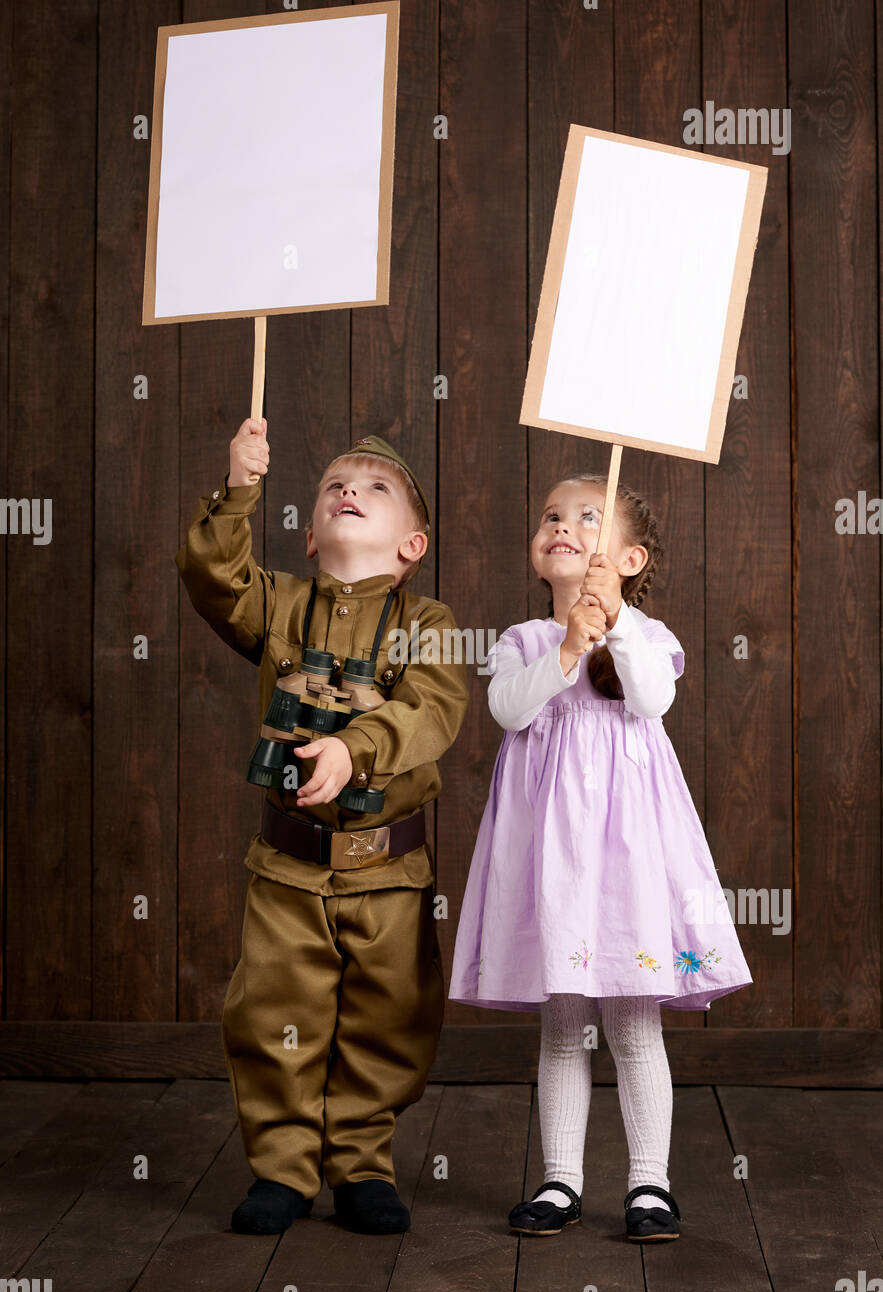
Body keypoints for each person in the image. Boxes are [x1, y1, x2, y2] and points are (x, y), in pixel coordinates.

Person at [176, 418, 469, 1236]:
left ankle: (361, 1164)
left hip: (388, 873)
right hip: (288, 869)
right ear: (308, 538)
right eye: (337, 484)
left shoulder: (429, 622)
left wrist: (355, 746)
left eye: (375, 488)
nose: (350, 491)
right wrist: (238, 488)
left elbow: (434, 709)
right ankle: (282, 1169)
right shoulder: (278, 603)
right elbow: (212, 577)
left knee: (389, 1019)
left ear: (411, 544)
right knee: (273, 1013)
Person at [448, 473, 753, 1241]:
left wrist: (611, 629)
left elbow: (650, 700)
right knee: (560, 1025)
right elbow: (508, 708)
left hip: (623, 861)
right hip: (552, 859)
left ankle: (648, 1184)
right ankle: (559, 1181)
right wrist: (565, 650)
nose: (561, 525)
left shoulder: (646, 638)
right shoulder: (524, 640)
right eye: (550, 515)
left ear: (626, 557)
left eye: (587, 517)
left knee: (632, 1023)